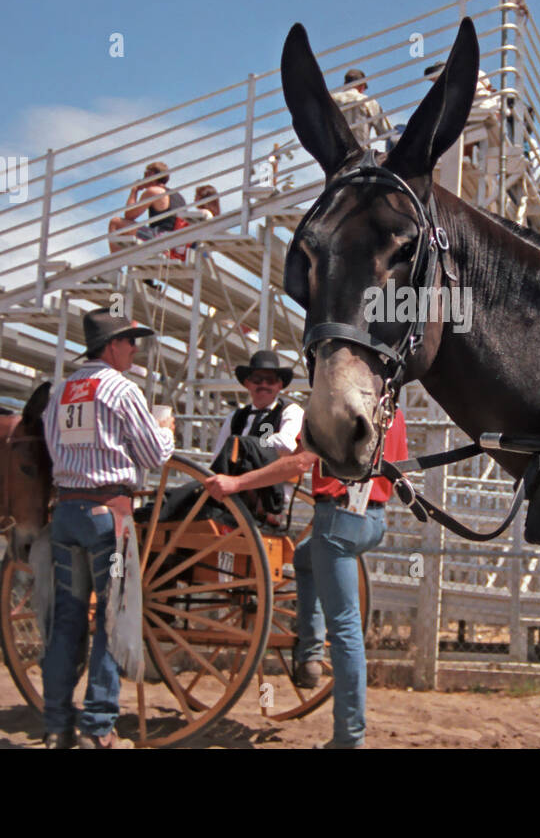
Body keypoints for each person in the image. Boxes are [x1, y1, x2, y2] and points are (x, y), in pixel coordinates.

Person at [205, 409, 407, 749]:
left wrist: (237, 482)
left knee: (344, 629)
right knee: (303, 558)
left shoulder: (336, 402)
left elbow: (299, 464)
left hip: (337, 518)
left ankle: (348, 739)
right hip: (373, 518)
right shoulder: (393, 409)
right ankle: (310, 653)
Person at [39, 307, 175, 749]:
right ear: (112, 346)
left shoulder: (60, 391)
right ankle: (98, 728)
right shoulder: (121, 389)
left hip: (65, 512)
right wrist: (165, 428)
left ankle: (56, 724)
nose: (135, 349)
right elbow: (155, 455)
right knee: (113, 620)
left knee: (67, 619)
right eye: (130, 341)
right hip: (108, 515)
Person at [164, 350, 303, 527]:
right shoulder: (236, 417)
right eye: (257, 379)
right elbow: (218, 458)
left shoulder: (290, 411)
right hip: (232, 492)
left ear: (279, 385)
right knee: (181, 501)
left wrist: (249, 446)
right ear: (247, 384)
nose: (264, 385)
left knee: (237, 444)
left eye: (270, 380)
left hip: (269, 495)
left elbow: (288, 445)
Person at [107, 161, 187, 254]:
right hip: (177, 242)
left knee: (115, 222)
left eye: (145, 174)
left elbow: (129, 215)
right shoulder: (178, 196)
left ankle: (115, 264)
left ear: (151, 174)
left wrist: (134, 191)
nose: (143, 178)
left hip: (161, 238)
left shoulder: (153, 191)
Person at [331, 68, 392, 149]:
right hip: (360, 154)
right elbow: (385, 132)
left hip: (333, 155)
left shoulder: (331, 99)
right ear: (361, 85)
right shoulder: (367, 101)